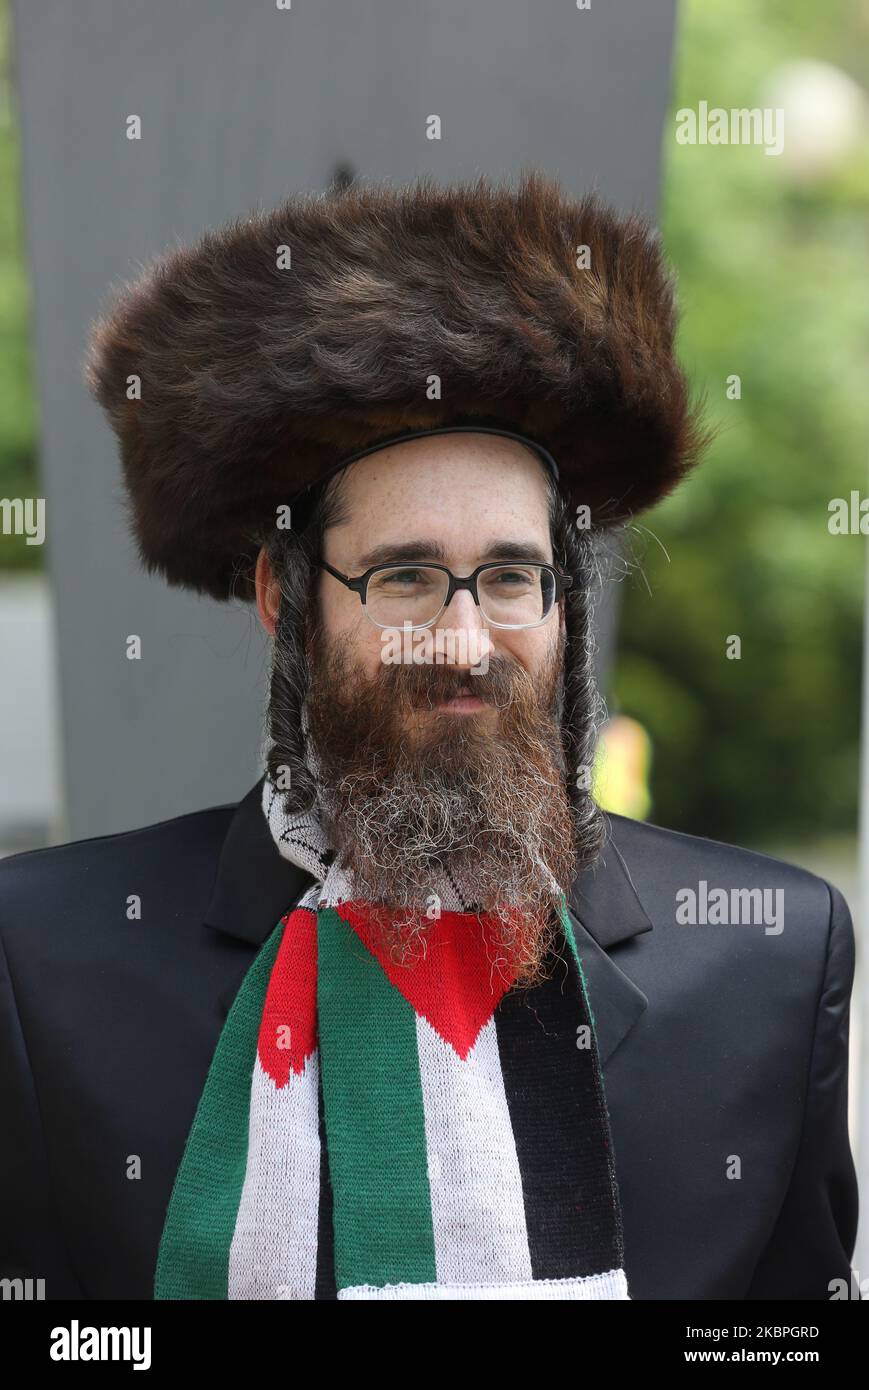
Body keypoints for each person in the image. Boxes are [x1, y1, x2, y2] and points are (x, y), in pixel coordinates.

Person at [0, 172, 857, 1300]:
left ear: (564, 604)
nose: (462, 639)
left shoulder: (773, 962)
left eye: (509, 576)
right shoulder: (46, 956)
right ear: (284, 597)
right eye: (404, 577)